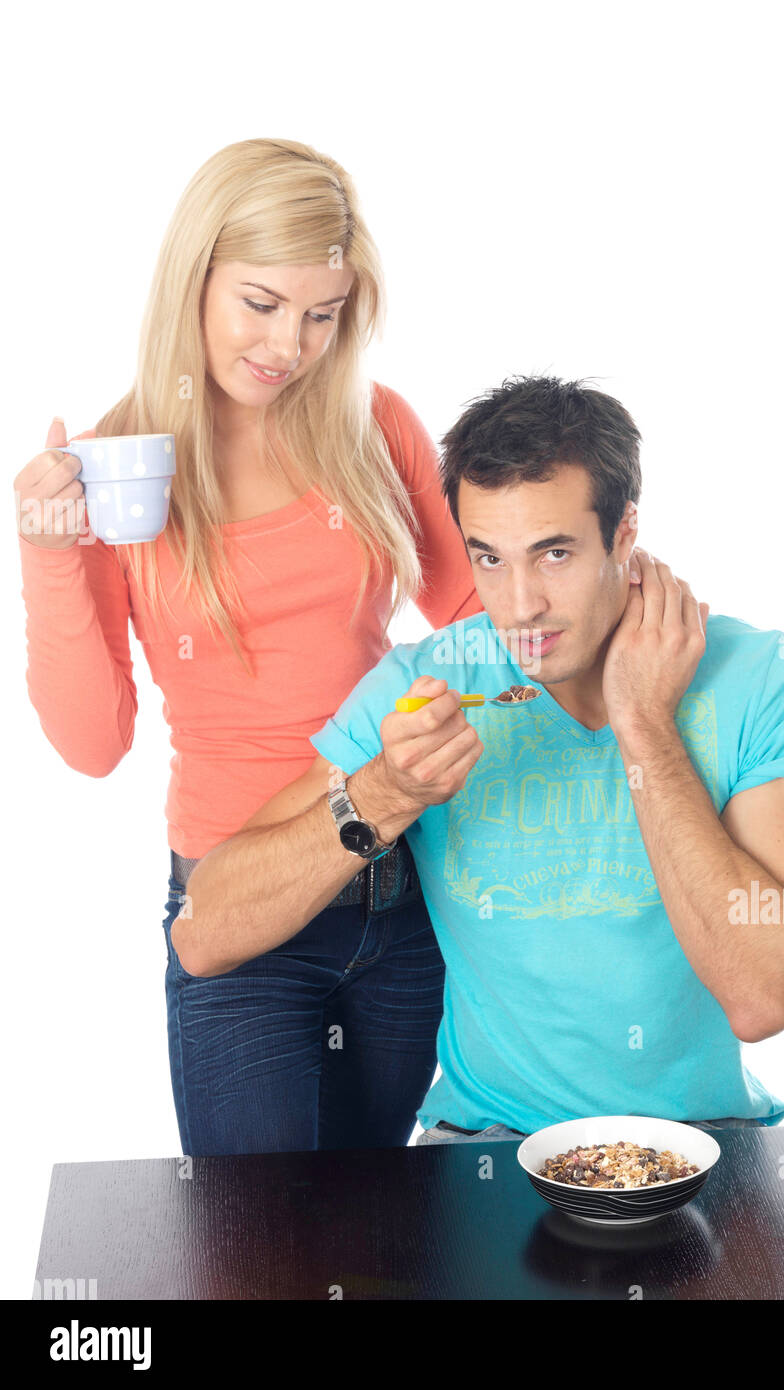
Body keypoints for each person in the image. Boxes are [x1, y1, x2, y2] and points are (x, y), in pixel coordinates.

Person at [170, 374, 784, 1144]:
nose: (519, 605)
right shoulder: (428, 683)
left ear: (625, 533)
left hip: (705, 1137)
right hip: (487, 1149)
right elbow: (203, 932)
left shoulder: (770, 680)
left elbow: (764, 999)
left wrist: (644, 722)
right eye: (488, 559)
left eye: (554, 553)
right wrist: (382, 796)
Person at [14, 137, 484, 1156]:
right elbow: (94, 744)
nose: (290, 343)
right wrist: (49, 556)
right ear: (196, 276)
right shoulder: (115, 464)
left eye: (322, 314)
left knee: (385, 1243)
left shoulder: (373, 427)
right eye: (261, 304)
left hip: (404, 891)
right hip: (238, 900)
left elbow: (471, 620)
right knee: (261, 1252)